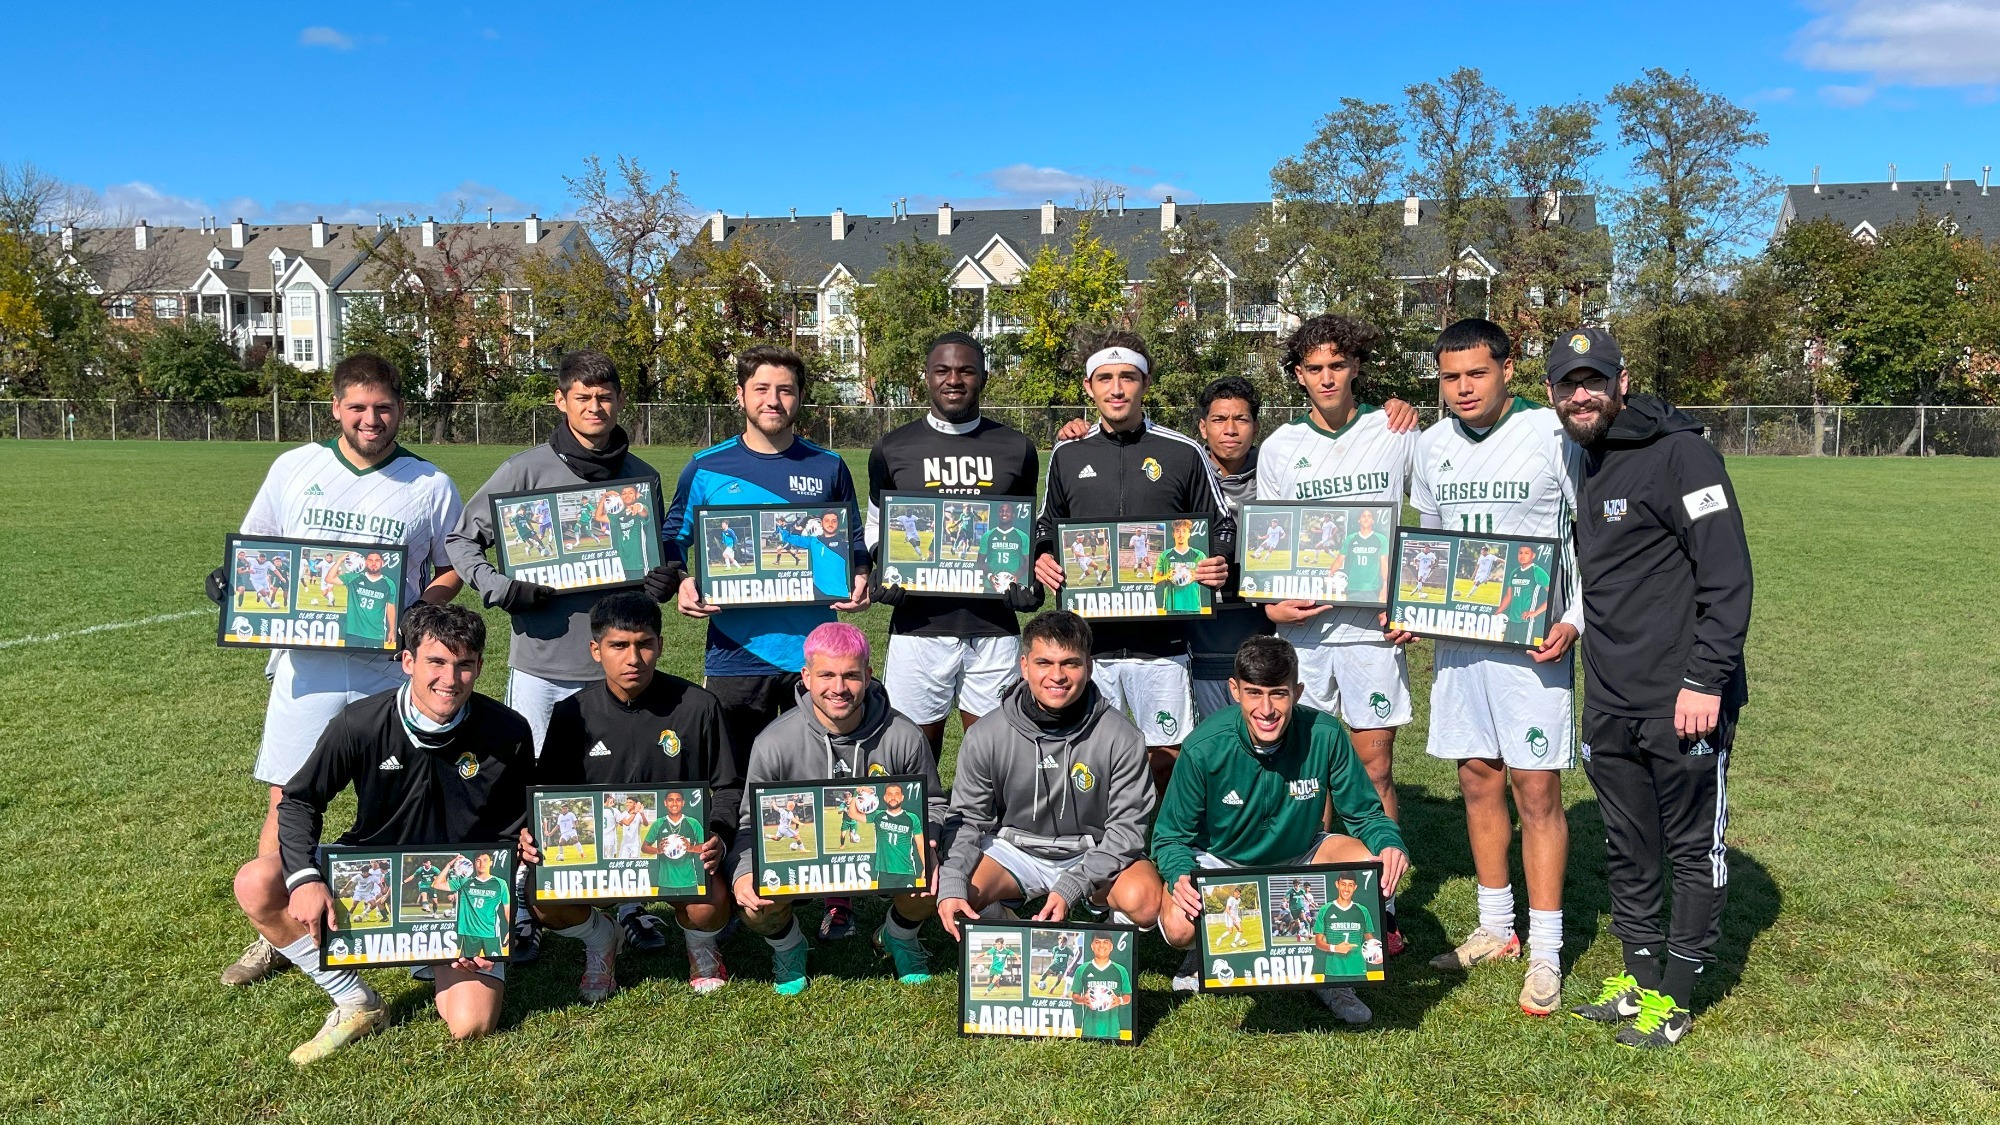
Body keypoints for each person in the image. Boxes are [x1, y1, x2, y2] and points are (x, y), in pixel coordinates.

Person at [211, 353, 465, 989]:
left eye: (383, 408)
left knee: (402, 793)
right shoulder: (295, 466)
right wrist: (232, 582)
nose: (371, 419)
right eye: (358, 407)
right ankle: (274, 928)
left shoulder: (428, 483)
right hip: (307, 665)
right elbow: (258, 545)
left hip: (386, 666)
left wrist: (413, 612)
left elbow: (453, 566)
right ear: (336, 408)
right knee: (289, 793)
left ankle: (406, 923)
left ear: (401, 409)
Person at [1547, 326, 1754, 1049]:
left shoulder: (1683, 453)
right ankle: (1637, 978)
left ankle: (1679, 992)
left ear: (1622, 381)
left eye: (1594, 380)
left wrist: (1704, 679)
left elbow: (1728, 580)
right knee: (1629, 845)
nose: (1582, 394)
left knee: (1694, 848)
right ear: (1552, 392)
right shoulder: (1585, 457)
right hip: (1609, 698)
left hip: (1684, 698)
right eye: (1569, 384)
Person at [229, 604, 532, 1063]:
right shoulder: (360, 722)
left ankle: (432, 954)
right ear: (408, 661)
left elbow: (512, 835)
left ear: (479, 667)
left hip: (458, 891)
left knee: (471, 1024)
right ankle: (355, 1001)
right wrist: (305, 879)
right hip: (370, 871)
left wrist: (488, 926)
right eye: (436, 662)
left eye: (464, 665)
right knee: (257, 882)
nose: (450, 679)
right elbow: (300, 801)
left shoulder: (508, 731)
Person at [1402, 319, 1584, 1018]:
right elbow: (1431, 547)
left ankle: (1545, 948)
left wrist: (1577, 617)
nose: (1463, 388)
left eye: (1476, 373)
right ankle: (1495, 924)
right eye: (1450, 377)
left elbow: (1587, 533)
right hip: (1461, 645)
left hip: (1533, 647)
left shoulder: (1549, 433)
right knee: (1478, 779)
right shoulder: (1431, 444)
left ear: (1507, 368)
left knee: (1536, 789)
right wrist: (1413, 605)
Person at [1253, 315, 1419, 953]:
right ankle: (1312, 897)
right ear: (1300, 375)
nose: (1327, 377)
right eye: (1315, 367)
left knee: (1375, 765)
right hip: (1307, 638)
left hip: (1373, 631)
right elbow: (1269, 539)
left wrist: (1413, 603)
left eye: (1338, 365)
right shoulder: (1280, 447)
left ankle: (1386, 901)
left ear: (1355, 369)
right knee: (1308, 772)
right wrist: (1274, 605)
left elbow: (1431, 524)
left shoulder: (1397, 431)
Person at [1153, 635, 1409, 1024]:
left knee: (1364, 863)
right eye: (1254, 693)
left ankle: (1333, 974)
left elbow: (1367, 815)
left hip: (1299, 854)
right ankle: (1202, 951)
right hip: (1223, 860)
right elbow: (1169, 836)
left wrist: (1390, 844)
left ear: (1298, 691)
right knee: (1177, 926)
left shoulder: (1324, 734)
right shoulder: (1203, 746)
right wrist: (1179, 875)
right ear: (1234, 690)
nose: (1267, 709)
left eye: (1279, 694)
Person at [1033, 331, 1235, 791]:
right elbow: (1047, 525)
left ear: (1145, 383)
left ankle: (1159, 850)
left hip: (1160, 639)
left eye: (1127, 377)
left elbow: (1222, 524)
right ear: (1089, 387)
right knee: (1084, 756)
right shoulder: (1068, 454)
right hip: (1089, 642)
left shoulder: (1183, 451)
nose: (1116, 388)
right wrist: (1042, 556)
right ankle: (1093, 850)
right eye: (1105, 378)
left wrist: (1217, 560)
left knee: (1165, 758)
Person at [658, 345, 870, 779]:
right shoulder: (706, 466)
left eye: (785, 390)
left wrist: (862, 574)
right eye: (762, 389)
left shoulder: (827, 465)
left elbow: (853, 540)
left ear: (799, 397)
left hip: (811, 656)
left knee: (817, 779)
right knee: (735, 780)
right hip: (734, 654)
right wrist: (681, 579)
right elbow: (671, 539)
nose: (773, 400)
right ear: (740, 395)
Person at [447, 350, 664, 757]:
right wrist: (502, 587)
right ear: (560, 401)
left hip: (616, 666)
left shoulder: (643, 477)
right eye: (583, 398)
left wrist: (662, 579)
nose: (594, 407)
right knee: (531, 778)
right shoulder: (523, 471)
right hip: (541, 664)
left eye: (604, 397)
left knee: (611, 779)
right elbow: (461, 540)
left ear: (619, 400)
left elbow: (653, 557)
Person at [537, 591, 741, 993]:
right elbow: (547, 793)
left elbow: (729, 785)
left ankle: (701, 945)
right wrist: (536, 834)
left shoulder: (698, 707)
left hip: (674, 851)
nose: (633, 658)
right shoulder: (571, 714)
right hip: (602, 858)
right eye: (618, 646)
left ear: (660, 645)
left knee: (710, 902)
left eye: (644, 644)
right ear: (596, 650)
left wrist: (719, 833)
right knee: (543, 898)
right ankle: (601, 938)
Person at [728, 623, 945, 994]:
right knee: (755, 906)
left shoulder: (903, 735)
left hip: (885, 853)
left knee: (929, 877)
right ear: (806, 676)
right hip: (805, 861)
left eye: (851, 676)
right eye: (826, 674)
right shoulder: (774, 742)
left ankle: (898, 936)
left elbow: (935, 805)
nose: (839, 688)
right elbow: (750, 821)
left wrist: (932, 843)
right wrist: (743, 872)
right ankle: (788, 944)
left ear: (868, 676)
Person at [866, 333, 1043, 766]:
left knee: (996, 752)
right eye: (943, 370)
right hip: (918, 625)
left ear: (983, 377)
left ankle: (986, 832)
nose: (954, 380)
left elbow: (1027, 530)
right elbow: (875, 526)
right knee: (911, 750)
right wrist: (881, 566)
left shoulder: (1017, 448)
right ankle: (923, 829)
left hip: (993, 627)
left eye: (965, 370)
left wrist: (1030, 577)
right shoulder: (892, 448)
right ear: (926, 378)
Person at [934, 611, 1162, 939]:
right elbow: (968, 819)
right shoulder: (986, 733)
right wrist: (954, 878)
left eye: (1070, 663)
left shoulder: (1122, 736)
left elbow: (1127, 832)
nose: (1057, 676)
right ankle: (1009, 926)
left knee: (1145, 900)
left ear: (1090, 666)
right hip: (1014, 848)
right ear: (1024, 665)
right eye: (1044, 663)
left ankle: (1107, 943)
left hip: (1091, 848)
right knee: (960, 896)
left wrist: (1073, 884)